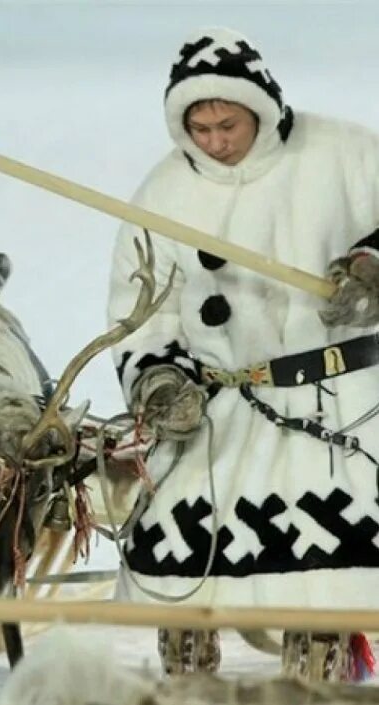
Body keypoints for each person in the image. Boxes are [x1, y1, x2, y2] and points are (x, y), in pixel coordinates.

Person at [107, 26, 379, 682]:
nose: (214, 141)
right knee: (173, 546)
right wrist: (160, 381)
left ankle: (320, 685)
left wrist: (373, 268)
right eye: (198, 128)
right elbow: (138, 315)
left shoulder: (345, 153)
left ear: (260, 107)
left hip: (333, 406)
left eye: (226, 124)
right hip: (215, 409)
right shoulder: (162, 194)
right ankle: (188, 687)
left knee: (328, 558)